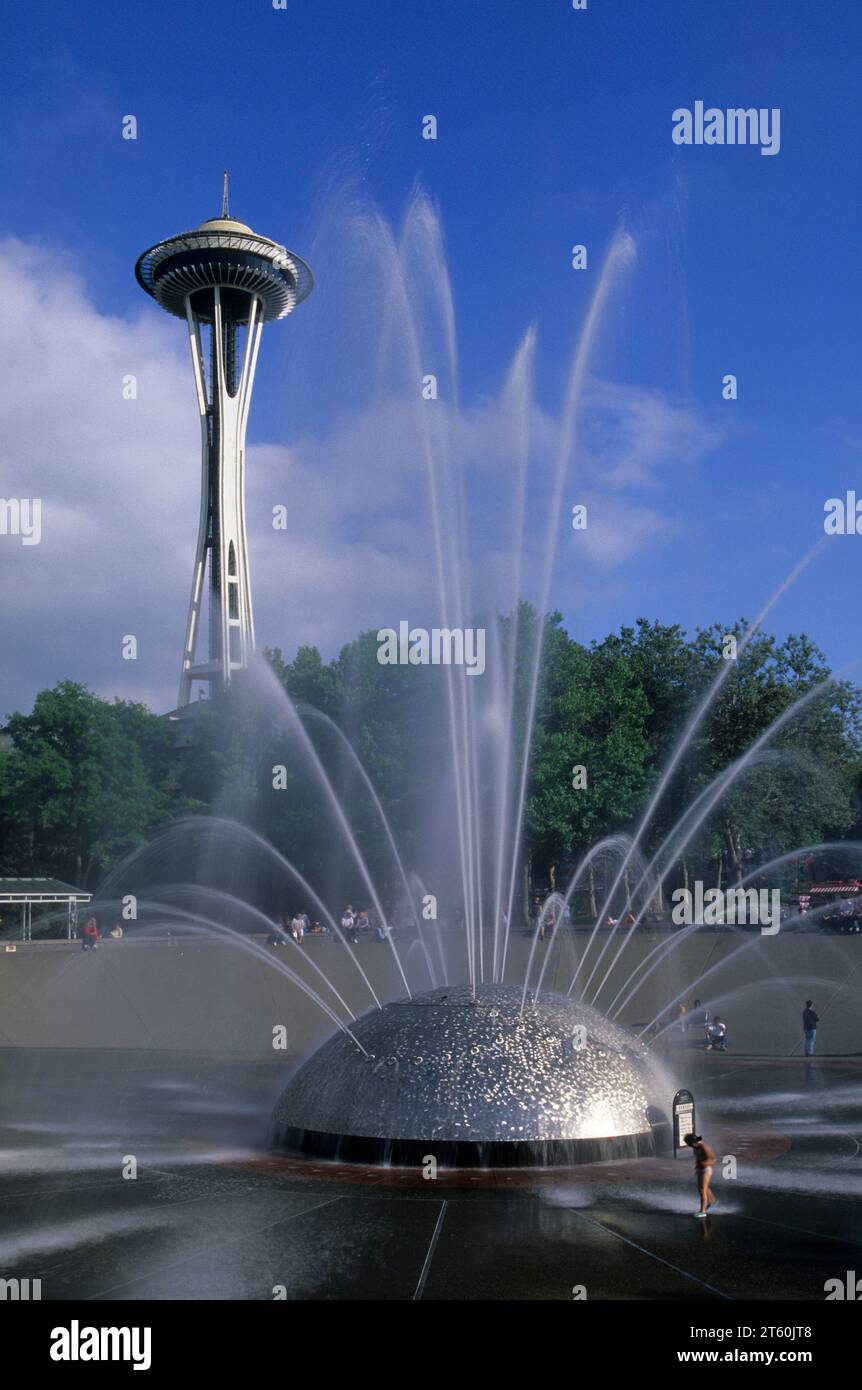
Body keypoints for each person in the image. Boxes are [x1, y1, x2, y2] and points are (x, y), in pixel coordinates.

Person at [683, 1133, 717, 1217]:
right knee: (703, 1188)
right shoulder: (695, 1146)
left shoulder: (705, 1148)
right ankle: (712, 1201)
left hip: (706, 1170)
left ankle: (702, 1211)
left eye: (688, 1144)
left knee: (702, 1190)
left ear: (692, 1142)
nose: (688, 1145)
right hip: (700, 1169)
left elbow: (713, 1160)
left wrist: (703, 1163)